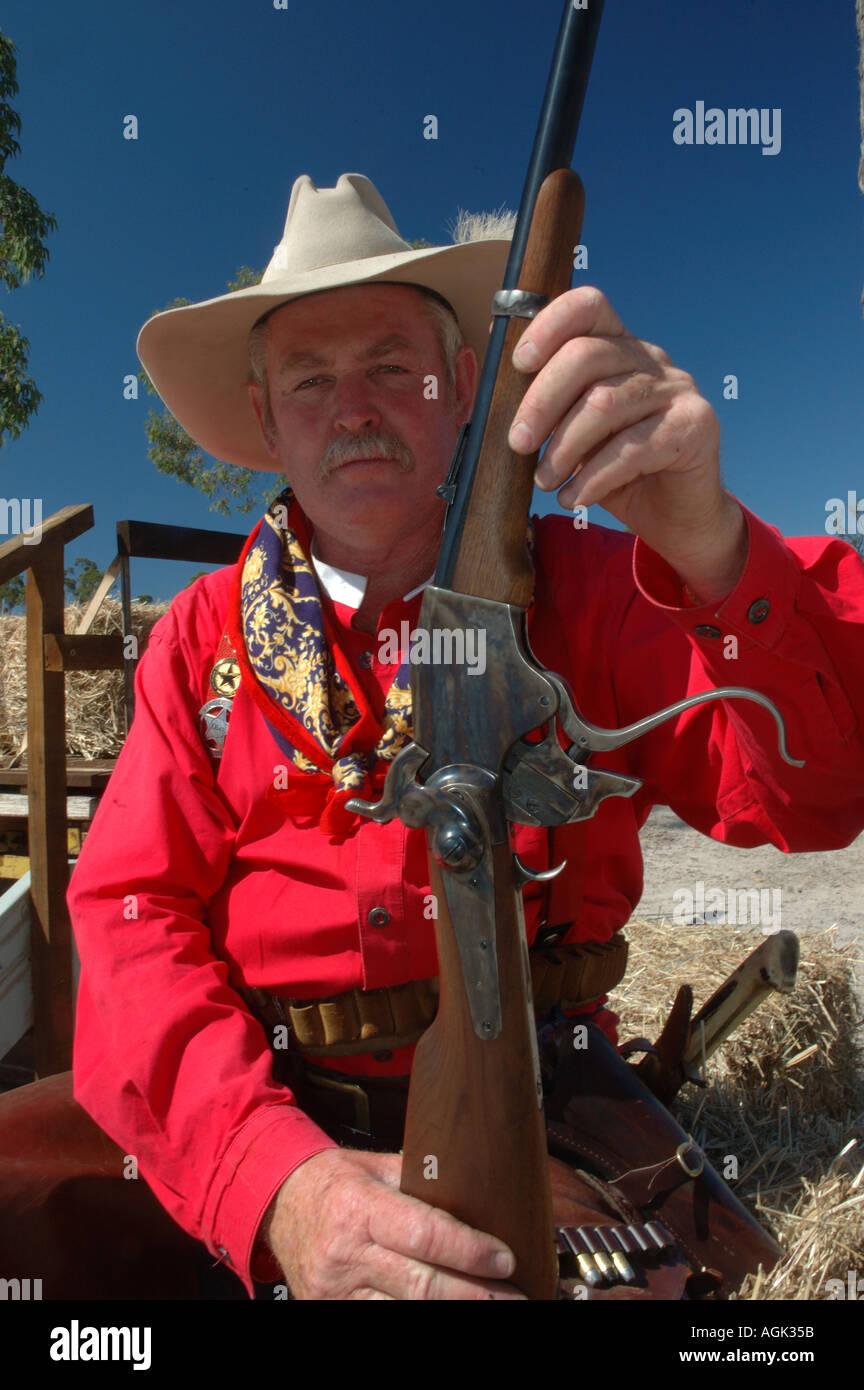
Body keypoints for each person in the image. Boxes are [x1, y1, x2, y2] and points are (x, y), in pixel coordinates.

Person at [68, 173, 864, 1301]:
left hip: (558, 1098)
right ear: (265, 418)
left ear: (461, 392)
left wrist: (717, 548)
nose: (353, 406)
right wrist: (276, 1183)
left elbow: (823, 791)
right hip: (266, 1102)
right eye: (310, 376)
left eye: (394, 365)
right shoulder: (199, 643)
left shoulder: (600, 588)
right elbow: (129, 920)